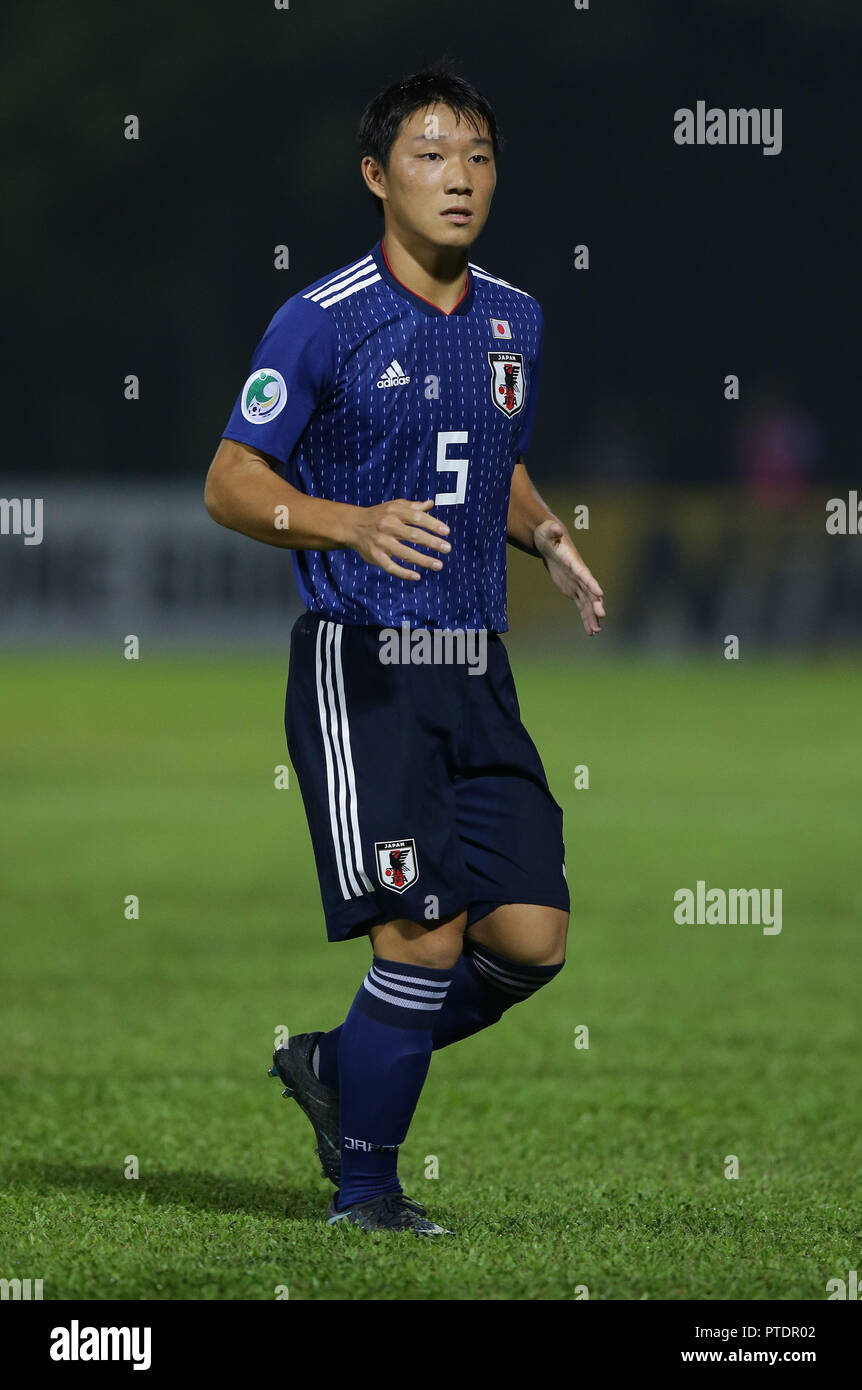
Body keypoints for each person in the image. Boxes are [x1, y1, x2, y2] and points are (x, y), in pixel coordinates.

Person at [204, 64, 605, 1236]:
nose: (459, 178)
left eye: (477, 155)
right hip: (362, 663)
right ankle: (365, 1193)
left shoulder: (514, 318)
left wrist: (544, 533)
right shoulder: (319, 319)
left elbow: (492, 462)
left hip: (474, 663)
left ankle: (342, 1060)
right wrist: (346, 522)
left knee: (529, 941)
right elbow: (231, 481)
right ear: (378, 176)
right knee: (420, 932)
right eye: (431, 155)